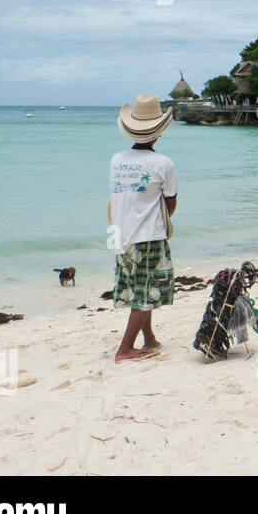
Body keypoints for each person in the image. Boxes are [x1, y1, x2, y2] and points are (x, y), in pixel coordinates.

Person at [108, 94, 178, 363]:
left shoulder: (116, 160)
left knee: (139, 290)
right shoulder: (163, 163)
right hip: (149, 236)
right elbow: (170, 204)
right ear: (158, 132)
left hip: (119, 235)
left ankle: (149, 338)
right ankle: (124, 349)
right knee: (148, 291)